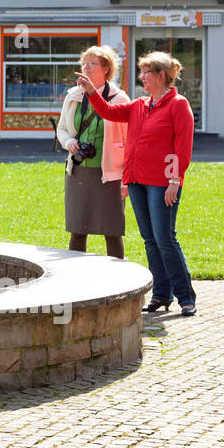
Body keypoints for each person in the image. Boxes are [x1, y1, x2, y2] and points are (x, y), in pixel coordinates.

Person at [77, 51, 197, 316]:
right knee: (150, 240)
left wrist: (175, 181)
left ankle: (185, 296)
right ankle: (161, 295)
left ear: (161, 75)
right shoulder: (140, 105)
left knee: (165, 239)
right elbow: (108, 112)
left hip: (162, 182)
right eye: (141, 72)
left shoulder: (178, 105)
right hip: (136, 180)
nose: (141, 77)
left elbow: (183, 148)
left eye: (146, 73)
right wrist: (91, 91)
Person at [57, 46, 128, 258]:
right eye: (84, 63)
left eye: (92, 63)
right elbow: (61, 129)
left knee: (112, 231)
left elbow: (128, 138)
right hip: (79, 170)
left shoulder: (119, 98)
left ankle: (118, 281)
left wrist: (126, 176)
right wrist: (69, 141)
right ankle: (76, 278)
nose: (86, 67)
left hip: (109, 173)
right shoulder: (74, 96)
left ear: (106, 68)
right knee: (77, 230)